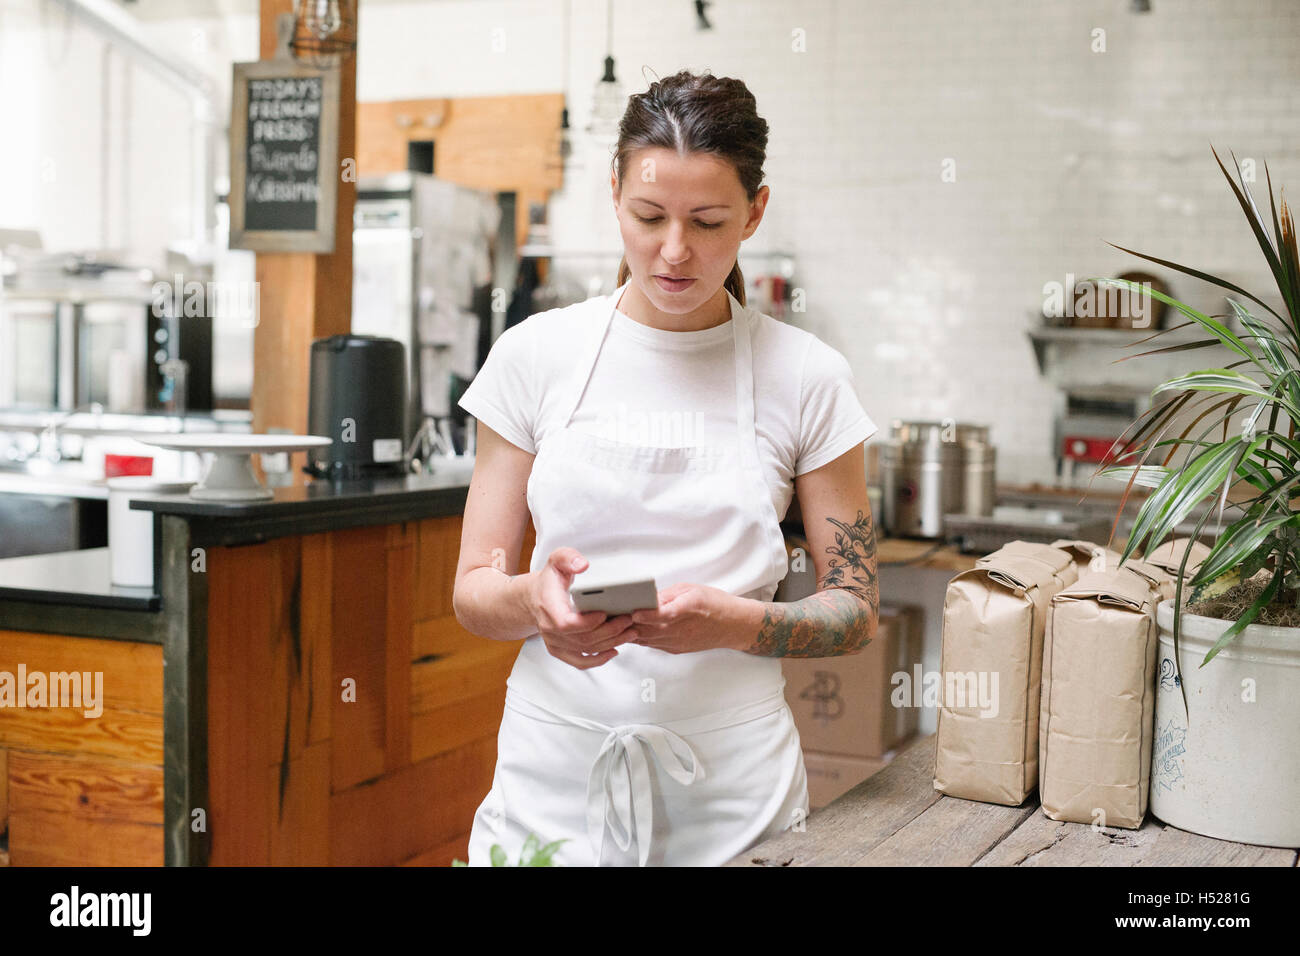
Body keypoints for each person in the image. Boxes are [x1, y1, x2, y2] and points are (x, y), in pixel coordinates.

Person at [453, 69, 879, 867]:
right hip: (552, 781)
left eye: (708, 221)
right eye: (648, 216)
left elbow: (854, 611)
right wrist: (532, 601)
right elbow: (474, 592)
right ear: (613, 191)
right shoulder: (534, 356)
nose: (674, 251)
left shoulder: (807, 376)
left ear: (755, 211)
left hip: (733, 797)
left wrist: (737, 623)